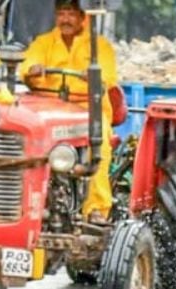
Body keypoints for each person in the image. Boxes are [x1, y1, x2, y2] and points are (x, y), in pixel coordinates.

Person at [21, 0, 117, 223]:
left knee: (99, 141)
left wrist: (93, 76)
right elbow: (27, 65)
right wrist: (32, 70)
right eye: (61, 13)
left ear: (83, 17)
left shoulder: (100, 46)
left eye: (71, 13)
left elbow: (108, 78)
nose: (65, 19)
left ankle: (96, 208)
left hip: (86, 108)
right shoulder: (43, 43)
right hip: (48, 108)